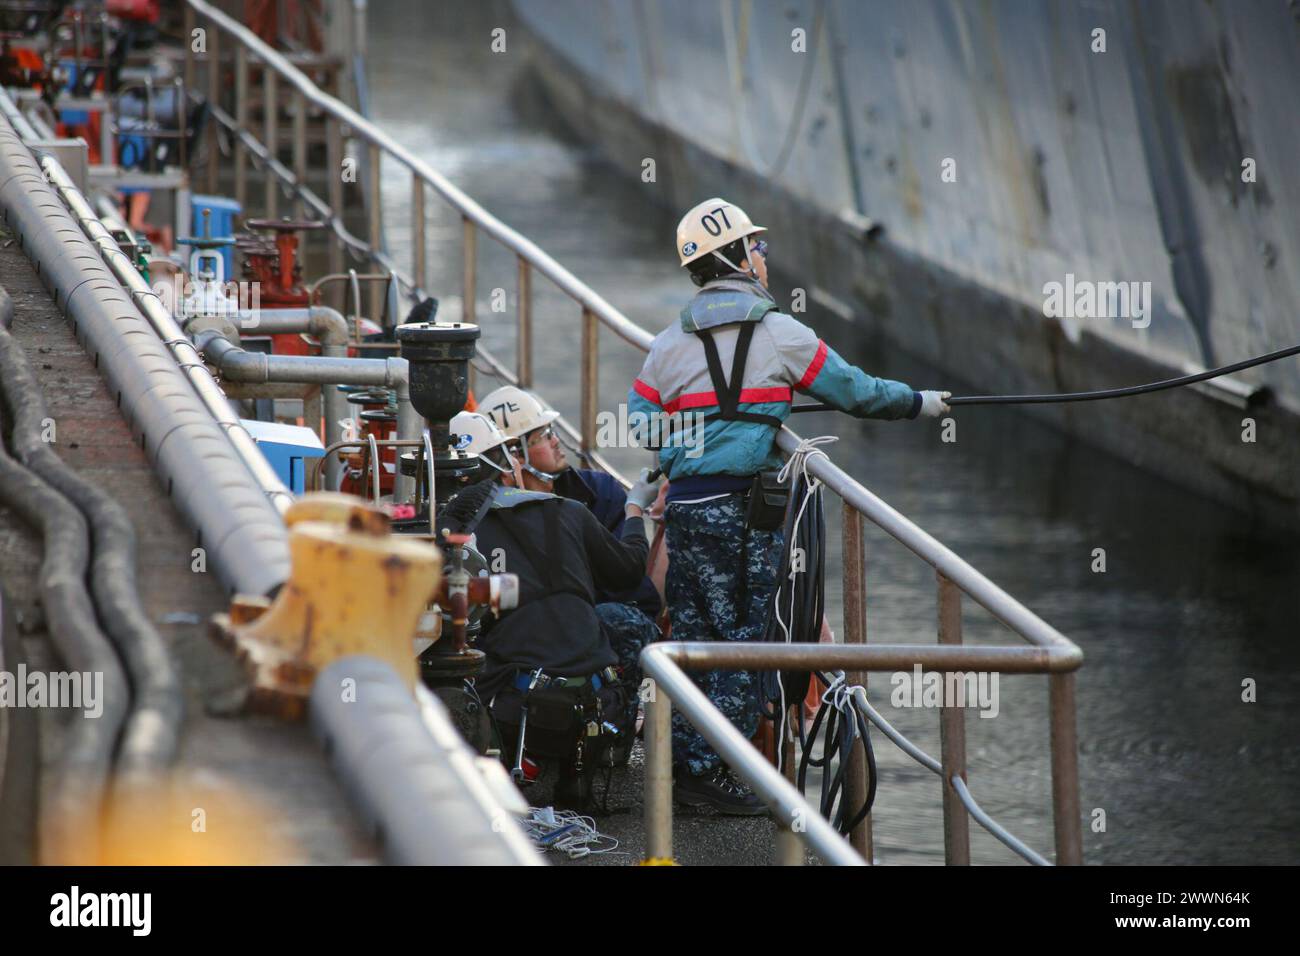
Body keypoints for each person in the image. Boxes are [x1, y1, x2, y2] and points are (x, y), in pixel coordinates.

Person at [627, 197, 951, 814]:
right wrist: (922, 402)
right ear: (737, 258)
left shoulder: (670, 343)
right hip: (745, 514)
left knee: (695, 635)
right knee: (750, 644)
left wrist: (692, 435)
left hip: (687, 513)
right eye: (758, 246)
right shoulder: (782, 335)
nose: (764, 257)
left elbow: (641, 424)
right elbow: (856, 393)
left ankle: (683, 763)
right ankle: (706, 778)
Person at [443, 411, 660, 806]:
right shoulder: (570, 510)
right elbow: (629, 574)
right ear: (508, 463)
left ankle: (504, 762)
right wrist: (634, 511)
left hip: (512, 707)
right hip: (593, 703)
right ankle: (589, 767)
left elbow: (473, 618)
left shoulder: (454, 534)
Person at [478, 385, 663, 740]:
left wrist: (632, 510)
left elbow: (634, 589)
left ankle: (612, 729)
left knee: (620, 621)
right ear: (513, 456)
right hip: (527, 643)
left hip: (594, 638)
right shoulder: (490, 518)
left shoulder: (598, 494)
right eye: (544, 436)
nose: (557, 441)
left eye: (551, 431)